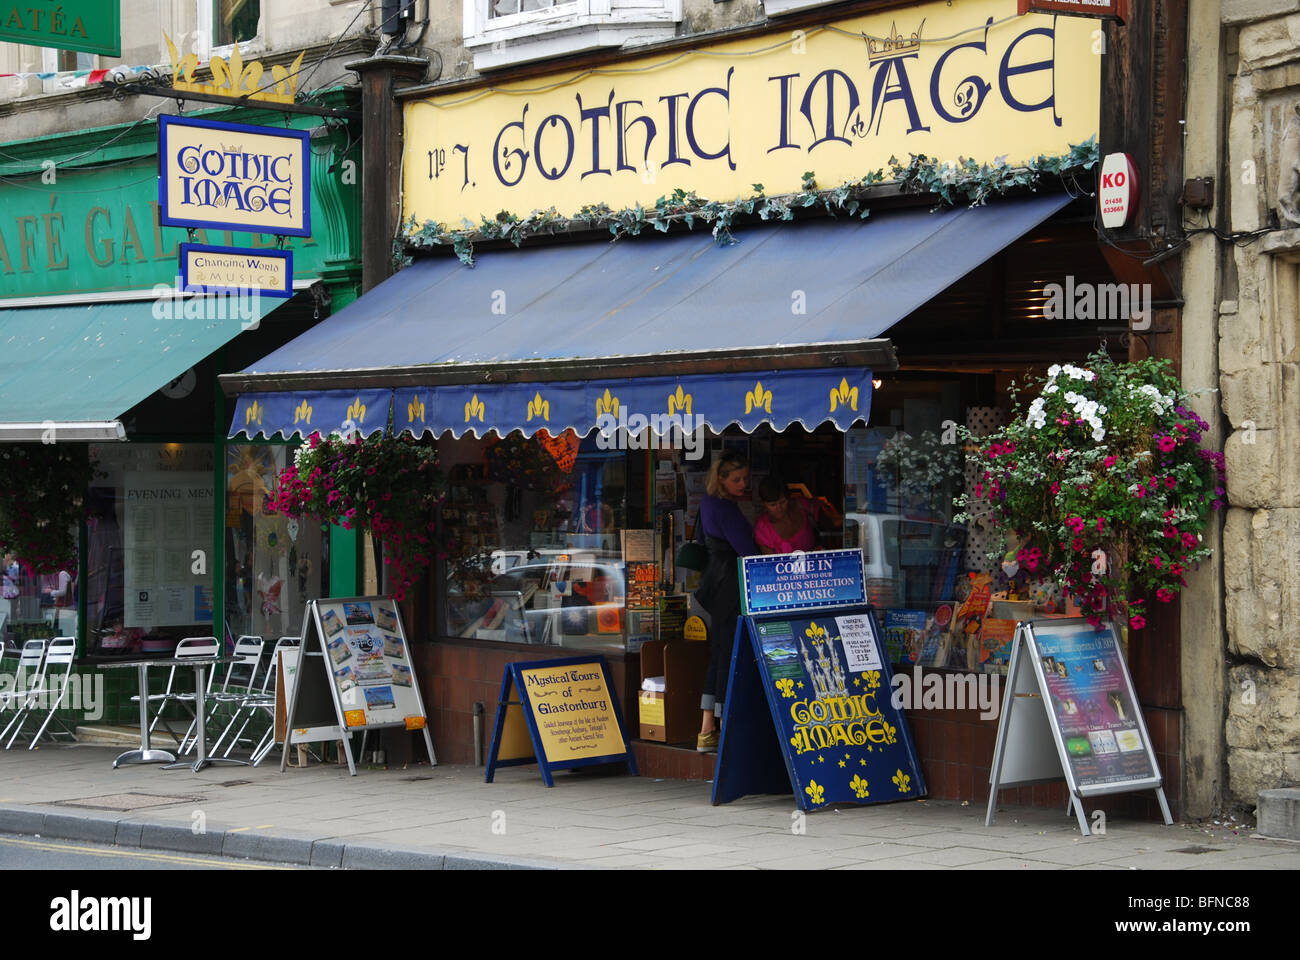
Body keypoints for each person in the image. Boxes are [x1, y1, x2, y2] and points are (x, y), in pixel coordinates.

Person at [694, 453, 754, 753]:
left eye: (745, 478)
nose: (743, 484)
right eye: (736, 479)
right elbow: (747, 550)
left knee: (719, 651)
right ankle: (726, 724)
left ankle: (707, 729)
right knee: (730, 653)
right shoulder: (726, 509)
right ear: (721, 479)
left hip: (715, 585)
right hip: (732, 585)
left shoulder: (707, 503)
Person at [753, 475, 820, 554]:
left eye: (782, 502)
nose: (779, 508)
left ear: (788, 498)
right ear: (763, 503)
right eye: (772, 505)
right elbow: (772, 563)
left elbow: (830, 523)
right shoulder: (763, 529)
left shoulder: (802, 506)